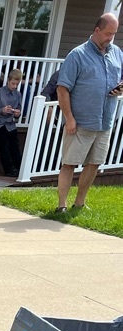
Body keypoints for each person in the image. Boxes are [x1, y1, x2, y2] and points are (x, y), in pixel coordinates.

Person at [55, 13, 123, 213]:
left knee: (94, 164)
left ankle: (79, 203)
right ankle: (61, 206)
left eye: (114, 34)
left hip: (105, 122)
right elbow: (62, 89)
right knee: (69, 164)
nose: (110, 38)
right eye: (108, 34)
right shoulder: (77, 55)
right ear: (97, 30)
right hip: (80, 122)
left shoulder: (117, 53)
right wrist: (69, 119)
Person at [0, 68, 23, 178]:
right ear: (8, 80)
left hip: (10, 124)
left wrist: (17, 113)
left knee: (15, 146)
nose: (14, 86)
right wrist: (1, 110)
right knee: (5, 146)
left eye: (17, 84)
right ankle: (8, 170)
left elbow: (19, 110)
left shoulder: (18, 94)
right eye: (13, 83)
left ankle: (19, 168)